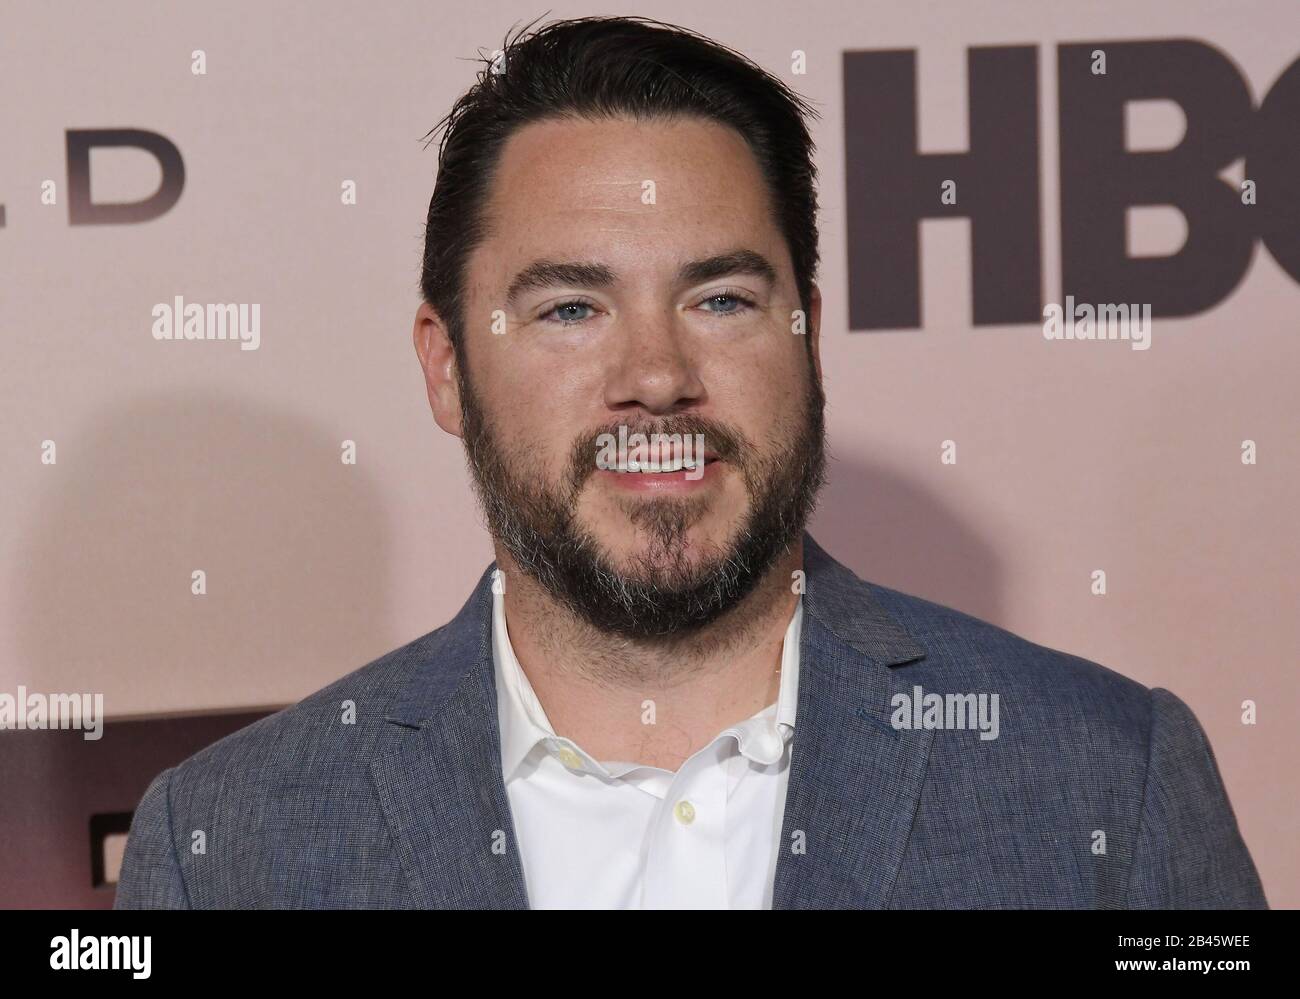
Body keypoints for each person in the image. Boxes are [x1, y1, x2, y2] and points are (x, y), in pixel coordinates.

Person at [115, 15, 1267, 909]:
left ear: (808, 334)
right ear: (447, 366)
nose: (656, 374)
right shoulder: (230, 849)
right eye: (570, 308)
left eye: (719, 299)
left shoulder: (1104, 779)